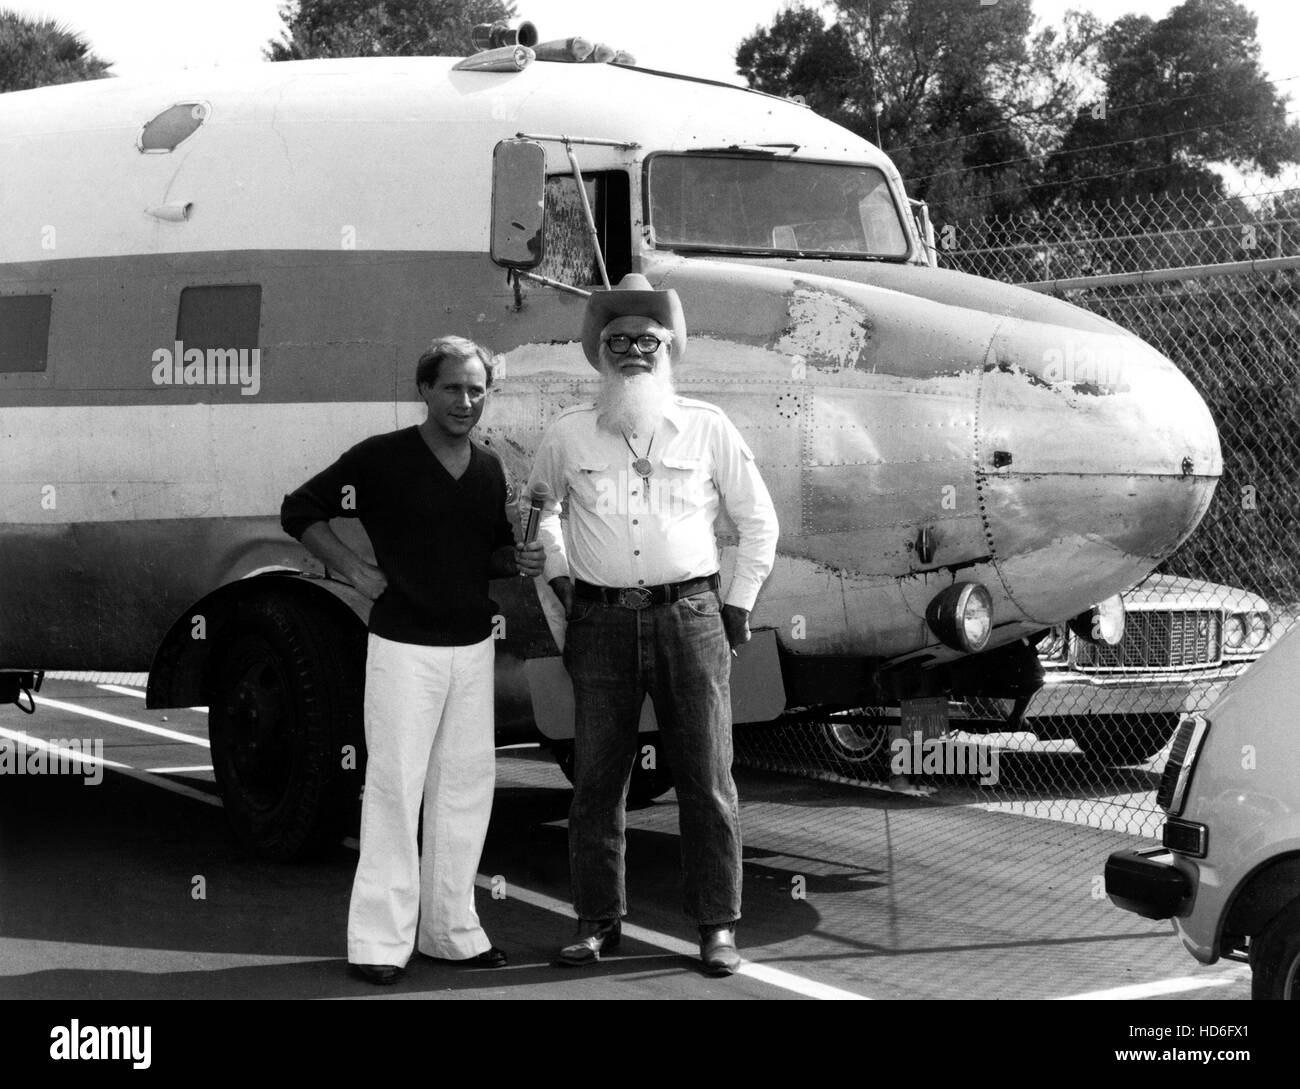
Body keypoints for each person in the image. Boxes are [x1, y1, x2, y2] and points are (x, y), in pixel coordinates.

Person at [525, 273, 779, 976]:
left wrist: (737, 602)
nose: (634, 351)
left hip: (691, 618)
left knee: (707, 778)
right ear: (600, 353)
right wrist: (560, 573)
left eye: (648, 339)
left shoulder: (707, 426)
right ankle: (596, 920)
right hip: (600, 624)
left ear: (668, 349)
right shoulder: (567, 433)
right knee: (597, 782)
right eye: (618, 341)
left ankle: (717, 927)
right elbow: (538, 507)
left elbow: (759, 520)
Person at [280, 336, 544, 985]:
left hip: (472, 648)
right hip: (402, 646)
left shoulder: (487, 469)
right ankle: (378, 940)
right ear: (424, 389)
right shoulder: (381, 458)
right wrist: (354, 569)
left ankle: (451, 932)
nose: (466, 400)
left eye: (477, 389)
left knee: (462, 791)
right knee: (396, 790)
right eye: (452, 387)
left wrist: (519, 560)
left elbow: (488, 553)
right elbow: (300, 510)